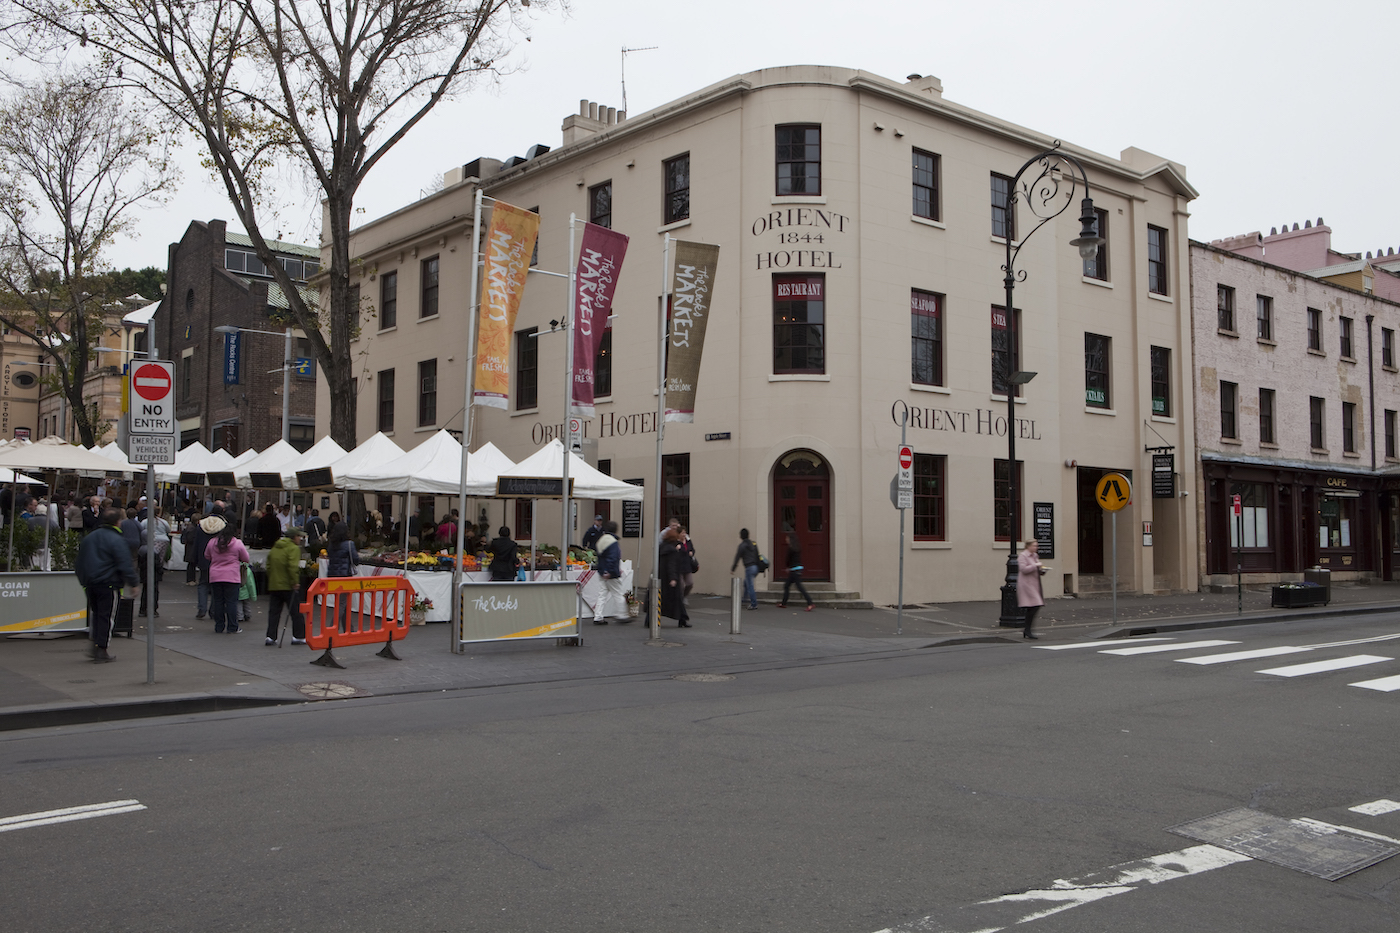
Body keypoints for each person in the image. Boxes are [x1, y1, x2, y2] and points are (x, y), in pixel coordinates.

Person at [75, 507, 138, 662]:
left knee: (96, 615)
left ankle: (96, 643)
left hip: (91, 583)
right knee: (106, 616)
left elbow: (79, 562)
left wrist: (84, 580)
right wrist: (133, 582)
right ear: (118, 522)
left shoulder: (90, 538)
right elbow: (124, 563)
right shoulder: (117, 539)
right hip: (109, 583)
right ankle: (101, 648)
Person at [205, 518, 251, 633]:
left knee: (218, 601)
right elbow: (246, 558)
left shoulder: (212, 542)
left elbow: (207, 556)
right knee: (231, 602)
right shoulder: (237, 543)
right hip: (232, 576)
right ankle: (232, 627)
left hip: (215, 575)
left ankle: (219, 626)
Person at [265, 527, 307, 646]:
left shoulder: (275, 548)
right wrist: (295, 582)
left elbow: (268, 566)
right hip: (288, 585)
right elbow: (292, 566)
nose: (300, 539)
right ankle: (298, 636)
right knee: (295, 612)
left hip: (274, 584)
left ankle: (271, 636)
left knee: (274, 612)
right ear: (294, 537)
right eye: (299, 536)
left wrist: (273, 578)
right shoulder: (293, 549)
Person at [191, 507, 227, 618]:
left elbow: (196, 543)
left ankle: (201, 609)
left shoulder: (201, 524)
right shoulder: (223, 525)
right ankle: (214, 611)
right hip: (218, 559)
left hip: (203, 558)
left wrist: (195, 558)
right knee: (215, 586)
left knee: (203, 583)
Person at [592, 521, 629, 624]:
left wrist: (603, 571)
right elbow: (613, 558)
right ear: (616, 530)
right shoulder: (613, 542)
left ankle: (598, 616)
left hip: (601, 571)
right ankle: (622, 615)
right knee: (618, 593)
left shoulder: (601, 540)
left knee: (602, 594)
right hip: (611, 573)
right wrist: (610, 571)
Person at [138, 505, 171, 618]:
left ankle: (143, 609)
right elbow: (168, 530)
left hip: (153, 542)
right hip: (163, 540)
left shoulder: (145, 522)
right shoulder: (163, 522)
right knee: (158, 558)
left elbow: (141, 529)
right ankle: (158, 568)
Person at [325, 521, 359, 630]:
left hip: (332, 576)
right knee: (342, 603)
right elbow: (356, 560)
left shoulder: (331, 544)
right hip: (345, 576)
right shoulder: (349, 544)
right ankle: (331, 628)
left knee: (343, 602)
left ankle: (349, 628)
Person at [659, 527, 690, 627]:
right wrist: (673, 578)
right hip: (670, 578)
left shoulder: (661, 547)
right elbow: (671, 564)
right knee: (677, 600)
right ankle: (682, 620)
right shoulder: (672, 550)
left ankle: (650, 621)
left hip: (660, 578)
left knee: (657, 600)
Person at [777, 532, 815, 611]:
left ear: (790, 539)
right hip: (798, 568)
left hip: (793, 570)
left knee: (799, 587)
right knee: (787, 585)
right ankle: (784, 603)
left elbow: (788, 560)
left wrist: (787, 567)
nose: (786, 540)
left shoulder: (790, 548)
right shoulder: (797, 547)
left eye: (787, 538)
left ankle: (810, 603)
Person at [1017, 538, 1046, 640]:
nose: (1036, 547)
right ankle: (1027, 629)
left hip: (1034, 584)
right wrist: (1035, 565)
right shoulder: (1023, 556)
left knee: (1033, 606)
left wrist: (1042, 570)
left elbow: (1036, 568)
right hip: (1026, 584)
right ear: (1028, 546)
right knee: (1035, 605)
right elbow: (1024, 569)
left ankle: (1027, 629)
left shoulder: (1035, 556)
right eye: (1034, 545)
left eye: (1036, 545)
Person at [730, 528, 760, 610]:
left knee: (750, 585)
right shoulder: (754, 544)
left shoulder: (742, 546)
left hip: (749, 567)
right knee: (746, 583)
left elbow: (737, 557)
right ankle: (744, 600)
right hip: (755, 567)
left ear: (741, 536)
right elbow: (758, 555)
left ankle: (754, 604)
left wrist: (733, 568)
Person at [677, 526, 697, 597]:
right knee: (681, 585)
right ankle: (680, 600)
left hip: (687, 565)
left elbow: (692, 549)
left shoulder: (688, 541)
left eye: (685, 533)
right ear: (678, 534)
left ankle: (684, 597)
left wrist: (692, 552)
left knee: (690, 583)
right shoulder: (676, 543)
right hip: (679, 566)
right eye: (682, 533)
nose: (684, 534)